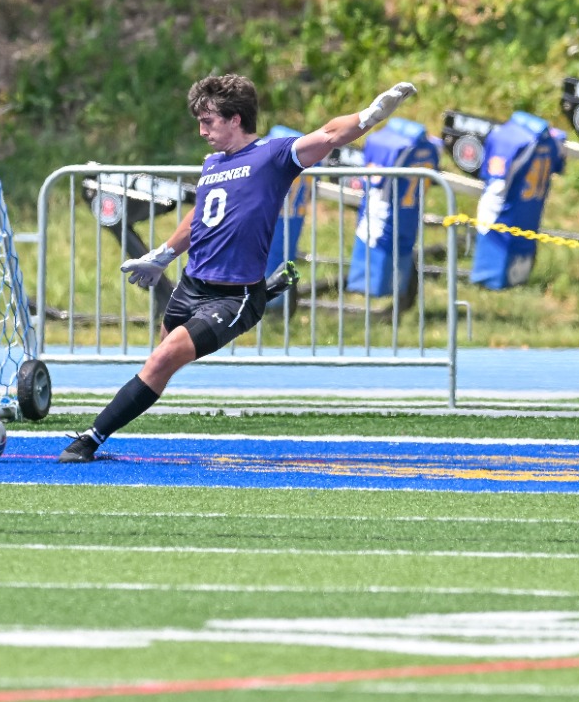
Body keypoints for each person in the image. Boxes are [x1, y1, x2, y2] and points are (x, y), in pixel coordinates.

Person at [59, 74, 418, 463]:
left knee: (162, 360)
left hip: (232, 297)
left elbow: (329, 135)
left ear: (235, 119)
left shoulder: (272, 156)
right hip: (191, 285)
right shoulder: (213, 163)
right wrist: (162, 255)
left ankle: (88, 441)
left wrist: (369, 116)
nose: (201, 131)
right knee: (158, 360)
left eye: (208, 121)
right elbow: (200, 216)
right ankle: (104, 432)